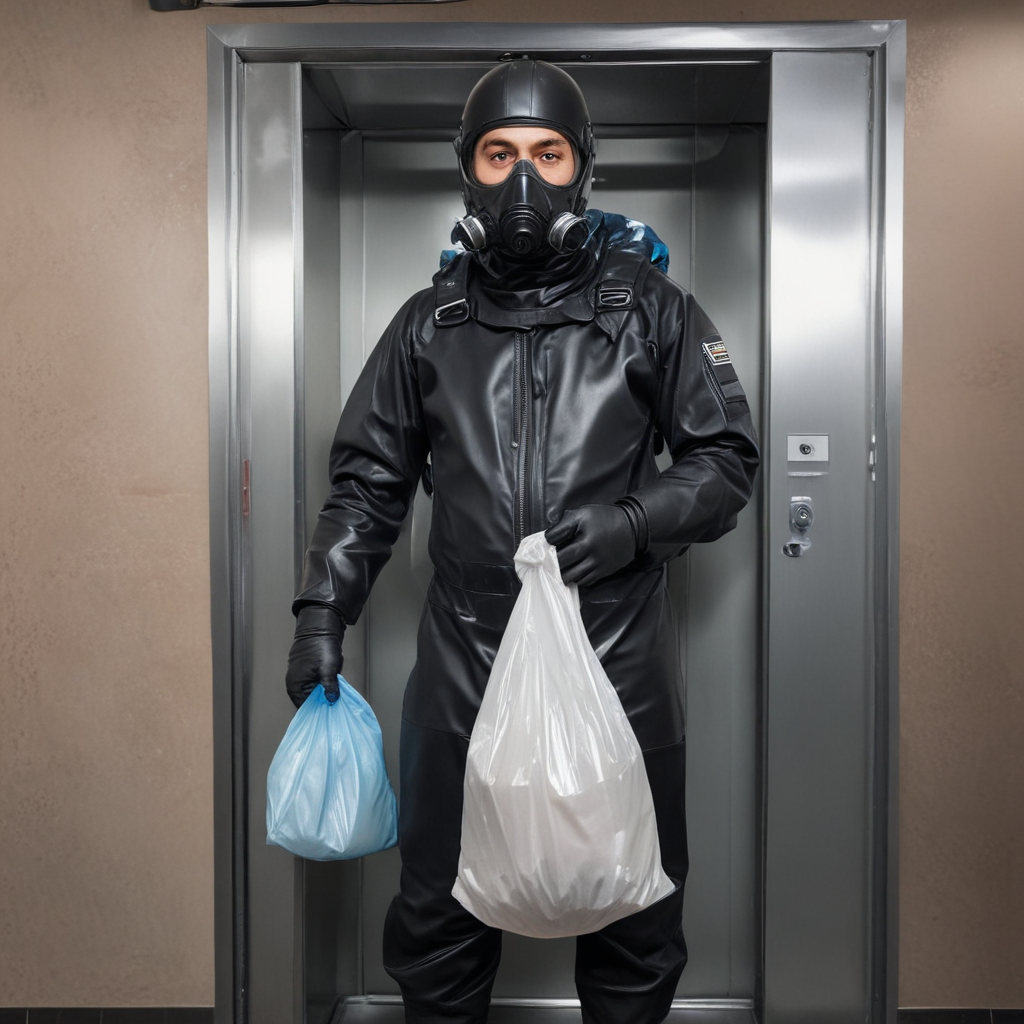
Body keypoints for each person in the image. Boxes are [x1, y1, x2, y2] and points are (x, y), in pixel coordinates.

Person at [285, 59, 760, 1024]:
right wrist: (321, 610)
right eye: (500, 156)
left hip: (619, 670)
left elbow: (725, 462)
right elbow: (368, 485)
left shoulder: (650, 312)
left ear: (584, 172)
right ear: (469, 172)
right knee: (439, 923)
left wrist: (635, 525)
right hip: (463, 672)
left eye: (548, 155)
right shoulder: (429, 326)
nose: (524, 183)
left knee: (632, 917)